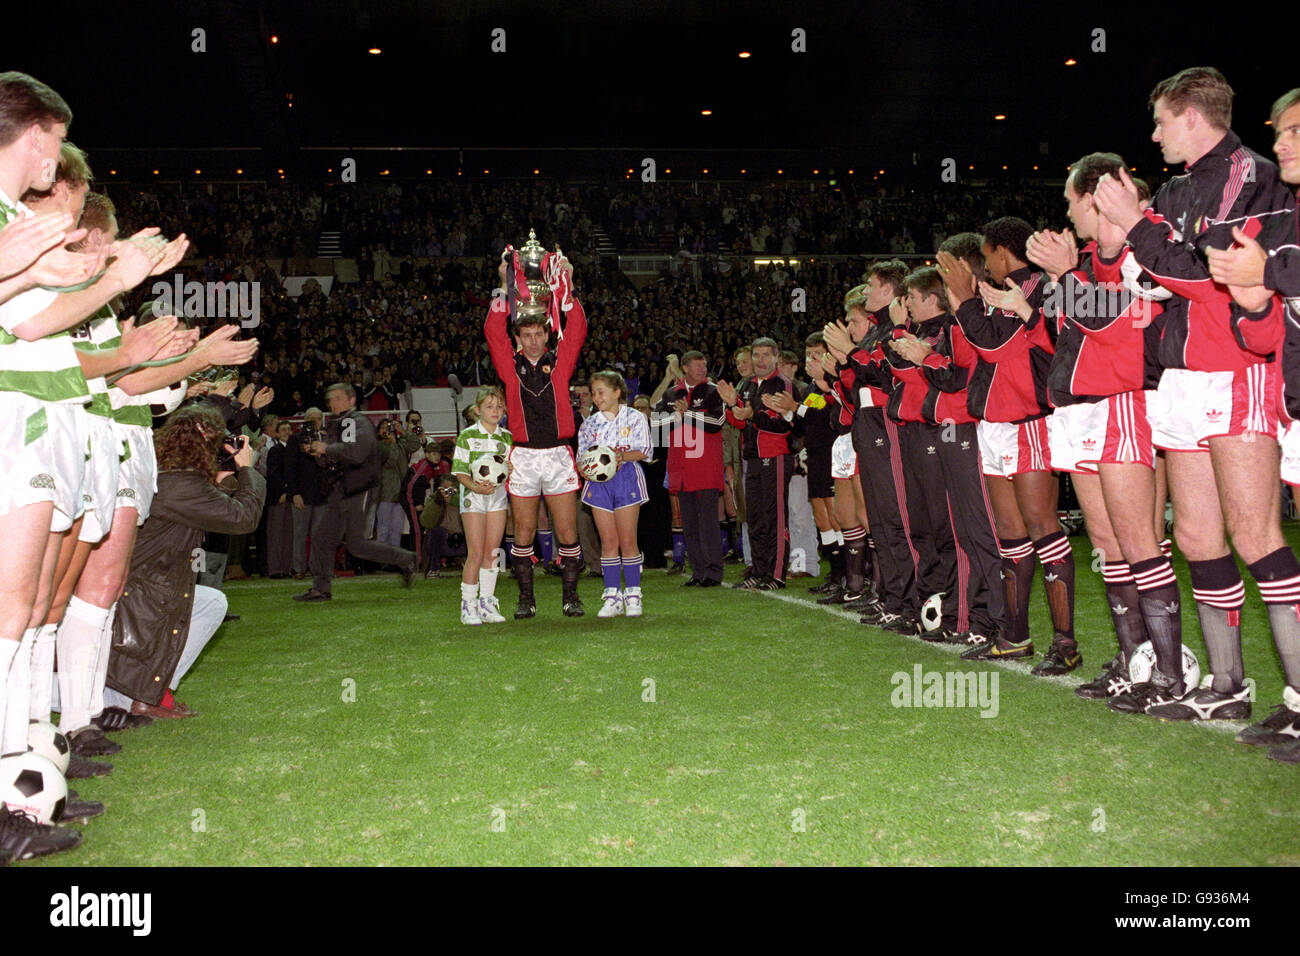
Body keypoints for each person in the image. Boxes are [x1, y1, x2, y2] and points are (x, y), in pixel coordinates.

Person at [1094, 66, 1300, 717]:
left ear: (1190, 115)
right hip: (1180, 380)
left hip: (1234, 368)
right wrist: (1150, 244)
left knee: (1255, 533)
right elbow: (1153, 270)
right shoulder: (1181, 188)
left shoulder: (1250, 173)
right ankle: (1226, 686)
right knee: (1197, 540)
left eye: (1160, 121)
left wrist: (1142, 233)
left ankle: (1299, 693)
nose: (1153, 135)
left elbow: (1209, 271)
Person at [104, 404, 266, 718]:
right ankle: (145, 697)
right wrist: (248, 470)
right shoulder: (182, 483)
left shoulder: (164, 472)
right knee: (105, 700)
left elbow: (184, 509)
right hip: (140, 597)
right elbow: (243, 518)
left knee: (211, 602)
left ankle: (154, 691)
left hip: (135, 587)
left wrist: (215, 484)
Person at [485, 247, 588, 618]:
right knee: (524, 533)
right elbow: (492, 330)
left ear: (547, 334)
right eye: (525, 334)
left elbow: (577, 328)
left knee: (566, 532)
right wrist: (503, 284)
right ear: (519, 338)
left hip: (560, 454)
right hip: (524, 456)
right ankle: (525, 599)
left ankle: (570, 596)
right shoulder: (508, 367)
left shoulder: (561, 363)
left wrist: (568, 286)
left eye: (537, 333)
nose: (531, 340)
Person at [294, 382, 417, 601]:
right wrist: (320, 454)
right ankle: (320, 588)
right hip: (342, 489)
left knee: (355, 544)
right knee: (324, 538)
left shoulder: (354, 421)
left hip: (358, 489)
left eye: (339, 398)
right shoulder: (338, 423)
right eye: (331, 399)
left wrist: (325, 448)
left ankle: (406, 559)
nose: (333, 402)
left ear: (352, 400)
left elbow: (356, 452)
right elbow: (337, 460)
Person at [718, 337, 798, 590]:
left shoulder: (782, 384)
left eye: (765, 355)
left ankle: (776, 575)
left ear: (776, 357)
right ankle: (760, 571)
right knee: (755, 518)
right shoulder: (749, 385)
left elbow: (784, 426)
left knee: (774, 517)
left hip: (775, 457)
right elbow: (741, 422)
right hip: (752, 458)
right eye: (756, 355)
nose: (760, 360)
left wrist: (752, 415)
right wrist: (733, 405)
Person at [578, 370, 652, 617]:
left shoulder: (634, 417)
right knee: (608, 542)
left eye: (601, 392)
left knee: (628, 540)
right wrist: (590, 467)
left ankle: (633, 594)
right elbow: (581, 459)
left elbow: (644, 450)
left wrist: (617, 457)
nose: (596, 397)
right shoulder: (590, 423)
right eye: (593, 393)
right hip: (599, 484)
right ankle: (612, 596)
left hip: (627, 478)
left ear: (617, 392)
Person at [654, 350, 726, 587]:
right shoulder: (671, 394)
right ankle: (698, 571)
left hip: (706, 468)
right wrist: (676, 417)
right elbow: (656, 430)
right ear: (684, 368)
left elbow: (717, 423)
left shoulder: (713, 391)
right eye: (697, 367)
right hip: (681, 469)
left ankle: (714, 572)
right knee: (689, 524)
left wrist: (689, 414)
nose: (702, 371)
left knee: (708, 523)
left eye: (704, 366)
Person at [450, 386, 513, 625]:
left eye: (499, 406)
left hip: (497, 498)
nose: (495, 410)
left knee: (492, 552)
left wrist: (509, 470)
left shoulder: (506, 437)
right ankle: (468, 605)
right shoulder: (467, 436)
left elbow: (507, 469)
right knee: (475, 553)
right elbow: (459, 472)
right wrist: (475, 486)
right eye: (489, 406)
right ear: (477, 410)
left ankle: (487, 602)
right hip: (473, 498)